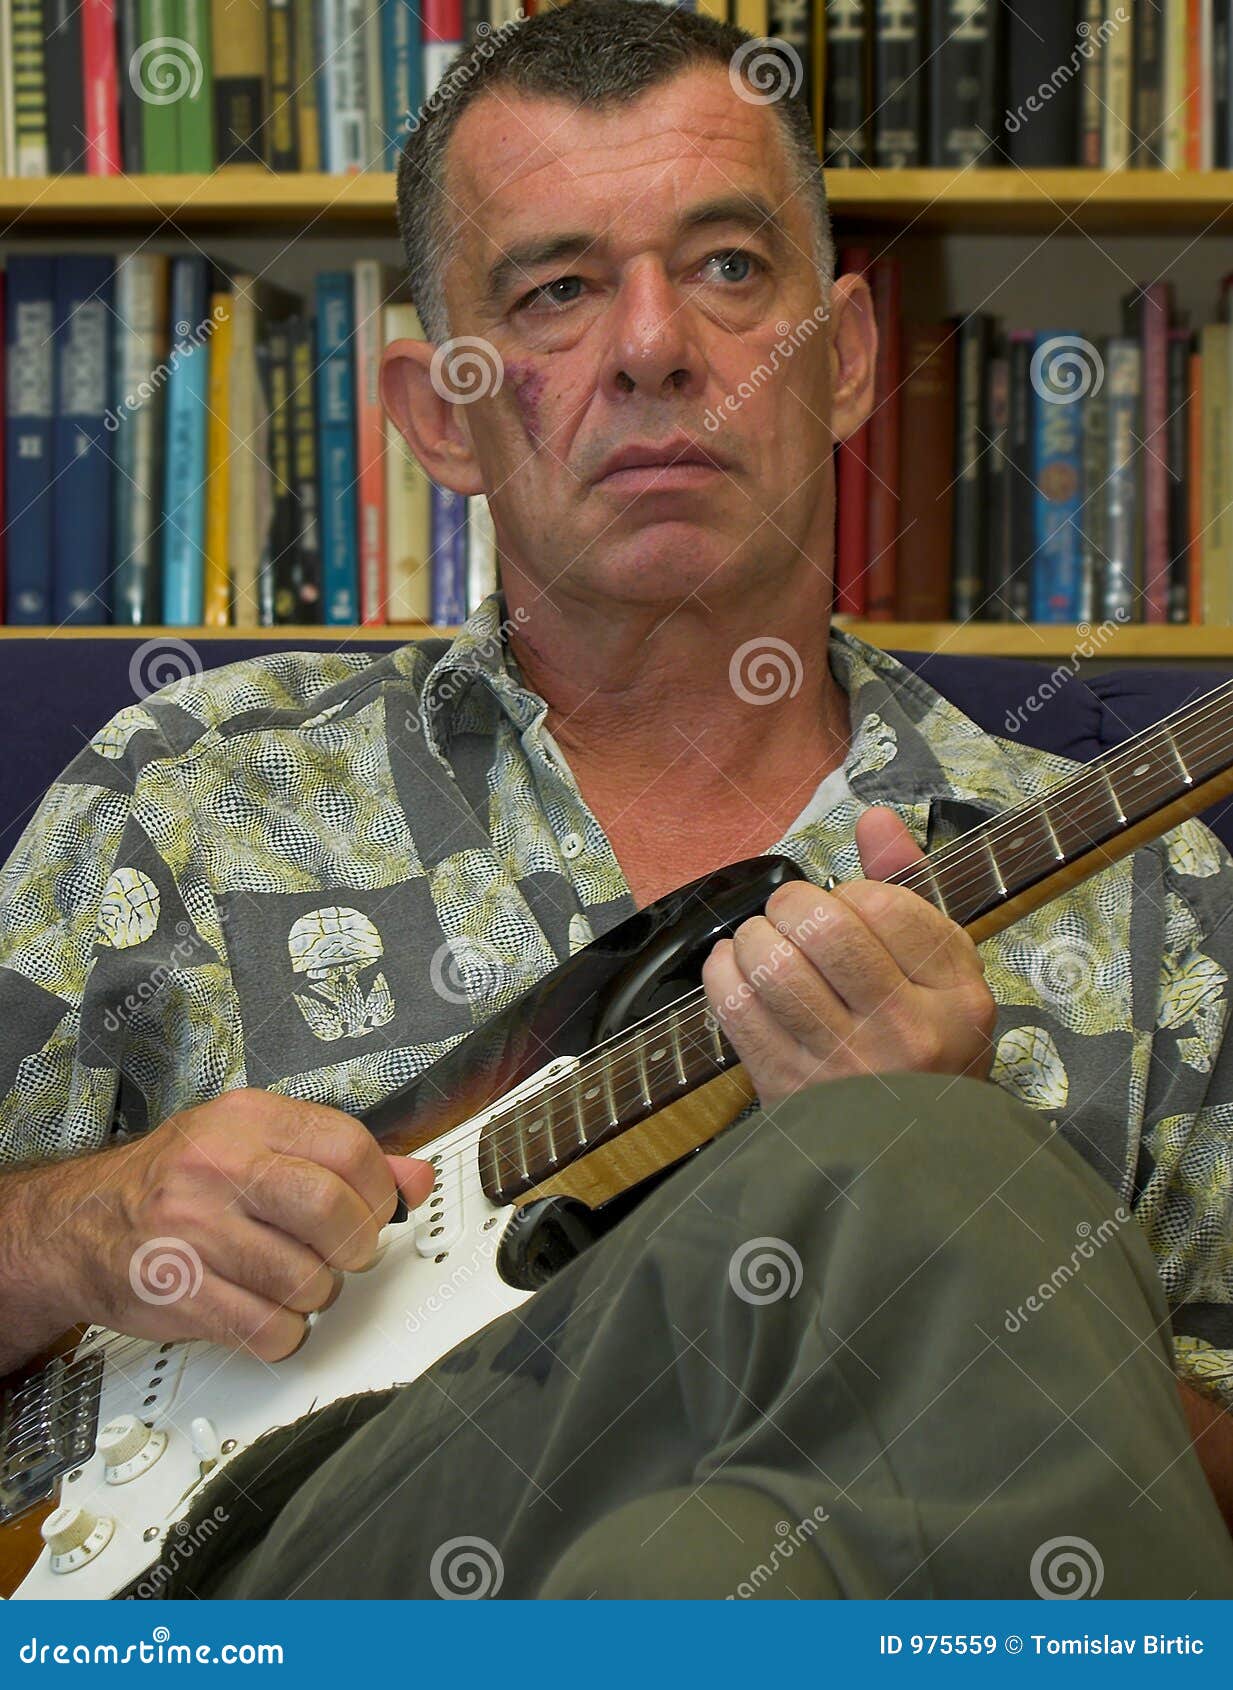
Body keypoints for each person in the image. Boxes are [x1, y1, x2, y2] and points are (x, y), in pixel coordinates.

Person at [2, 0, 1232, 1597]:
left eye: (727, 268)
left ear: (844, 359)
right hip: (252, 1607)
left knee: (698, 1547)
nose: (655, 345)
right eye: (558, 290)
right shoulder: (185, 799)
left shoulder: (1156, 897)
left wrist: (969, 1183)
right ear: (437, 411)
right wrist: (83, 1224)